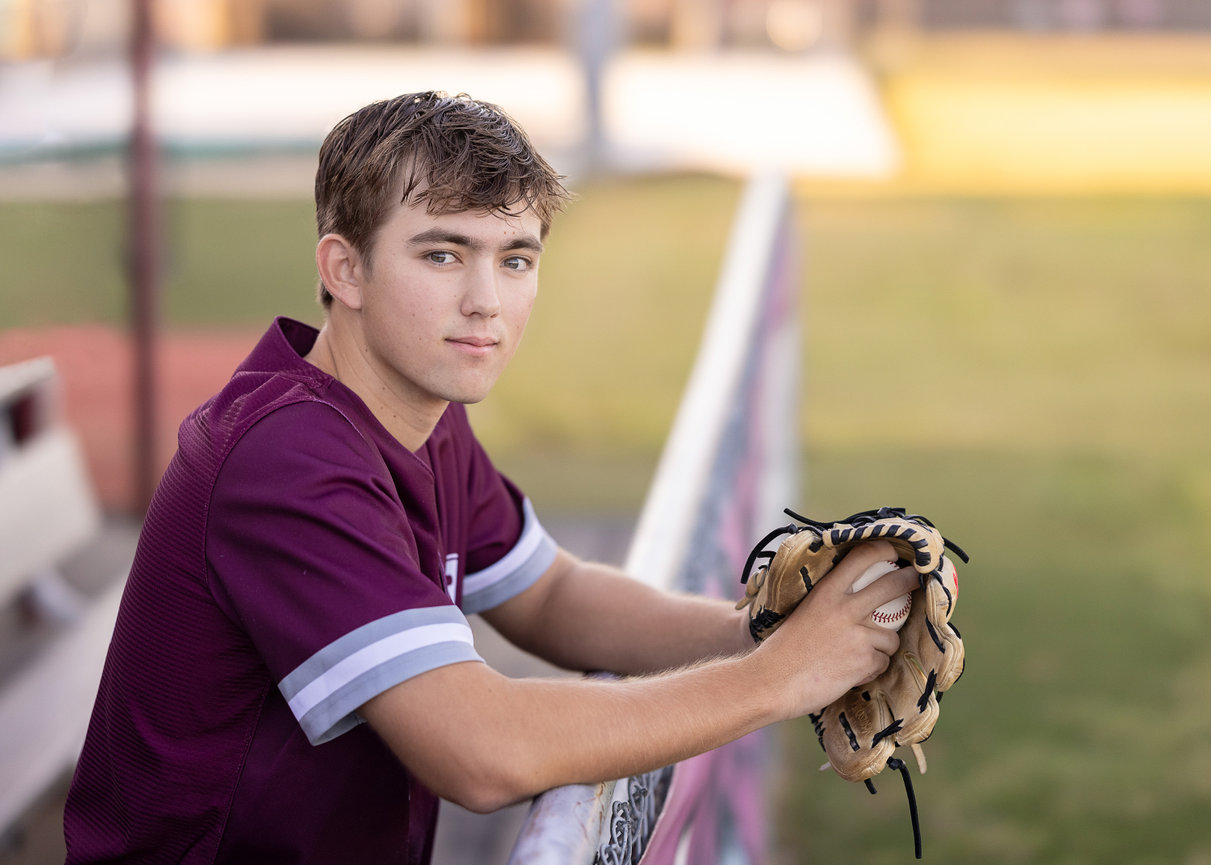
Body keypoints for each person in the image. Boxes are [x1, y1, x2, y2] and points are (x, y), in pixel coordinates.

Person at [63, 91, 917, 865]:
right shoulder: (283, 458)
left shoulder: (417, 416)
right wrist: (781, 678)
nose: (487, 301)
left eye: (515, 258)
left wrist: (768, 630)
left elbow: (551, 597)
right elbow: (480, 749)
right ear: (343, 268)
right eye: (443, 255)